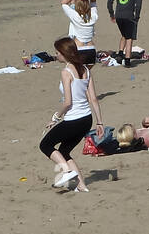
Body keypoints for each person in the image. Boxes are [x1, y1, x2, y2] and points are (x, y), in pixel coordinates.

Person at [41, 38, 104, 193]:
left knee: (45, 145)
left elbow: (68, 102)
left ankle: (68, 173)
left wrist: (55, 117)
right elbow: (93, 99)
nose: (56, 56)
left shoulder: (66, 72)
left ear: (65, 53)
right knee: (64, 152)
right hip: (87, 120)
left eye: (57, 53)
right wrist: (99, 122)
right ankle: (81, 185)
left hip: (74, 120)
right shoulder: (86, 70)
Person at [107, 0, 142, 67]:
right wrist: (137, 17)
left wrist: (112, 14)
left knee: (124, 34)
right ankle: (127, 60)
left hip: (118, 16)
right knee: (130, 37)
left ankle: (120, 54)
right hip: (129, 16)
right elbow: (138, 5)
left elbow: (109, 1)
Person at [62, 0, 98, 64]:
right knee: (87, 73)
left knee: (77, 73)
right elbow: (93, 3)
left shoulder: (75, 16)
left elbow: (63, 3)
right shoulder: (93, 16)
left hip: (79, 48)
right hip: (91, 48)